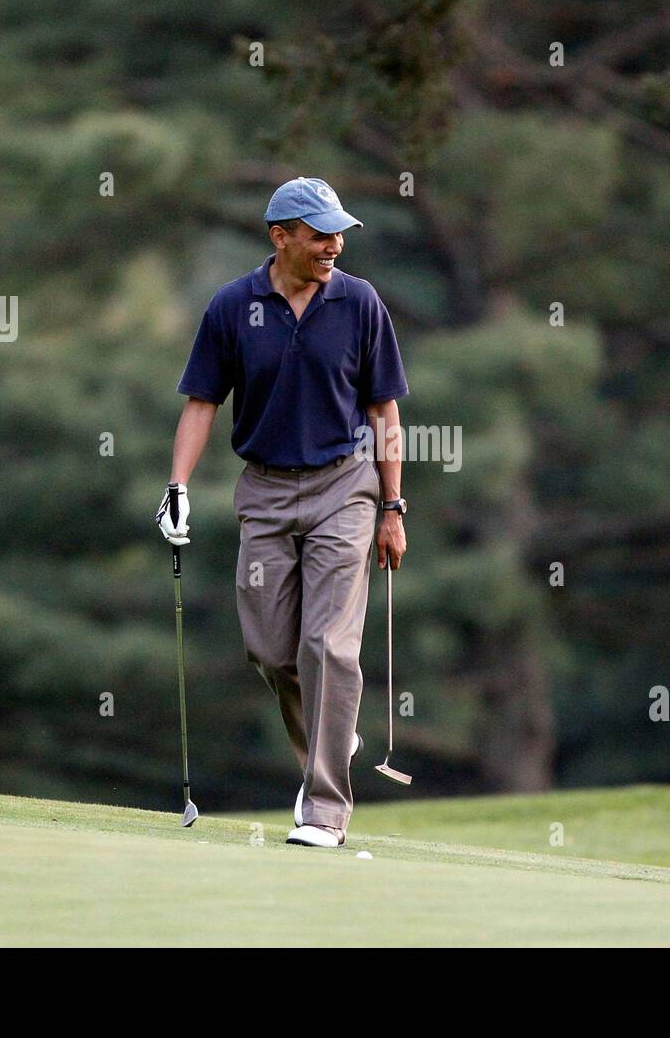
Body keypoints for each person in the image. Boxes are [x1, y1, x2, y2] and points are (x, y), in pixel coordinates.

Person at [157, 176, 409, 848]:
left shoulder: (359, 303)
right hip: (264, 493)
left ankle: (324, 811)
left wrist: (392, 504)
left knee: (328, 643)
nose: (334, 245)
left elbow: (385, 411)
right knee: (272, 648)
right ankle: (335, 727)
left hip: (344, 489)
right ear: (281, 236)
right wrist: (177, 485)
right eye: (320, 233)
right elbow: (202, 402)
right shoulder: (234, 307)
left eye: (338, 234)